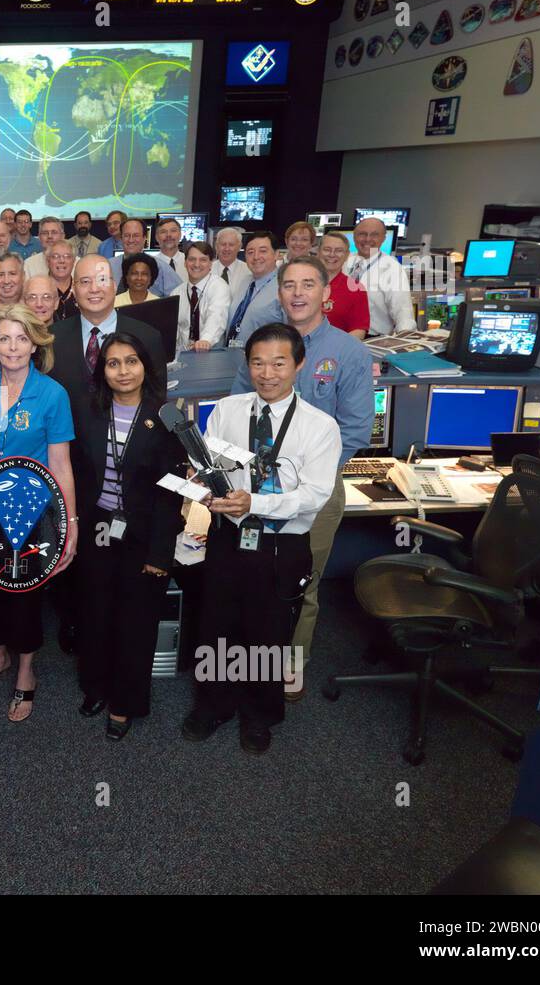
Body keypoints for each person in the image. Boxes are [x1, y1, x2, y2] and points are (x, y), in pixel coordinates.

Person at [181, 323, 340, 755]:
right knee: (216, 624)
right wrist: (201, 479)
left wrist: (254, 503)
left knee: (267, 632)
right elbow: (210, 463)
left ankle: (258, 713)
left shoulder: (320, 427)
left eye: (278, 363)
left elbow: (314, 496)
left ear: (299, 365)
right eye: (257, 363)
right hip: (228, 537)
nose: (267, 373)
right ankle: (214, 704)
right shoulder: (227, 410)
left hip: (281, 545)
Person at [230, 256, 373, 693]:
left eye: (308, 284)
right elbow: (239, 410)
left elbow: (355, 430)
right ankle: (247, 659)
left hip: (317, 492)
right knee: (250, 575)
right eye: (288, 284)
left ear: (326, 294)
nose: (297, 293)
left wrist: (306, 483)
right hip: (255, 491)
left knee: (302, 582)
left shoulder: (348, 352)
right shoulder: (261, 344)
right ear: (279, 293)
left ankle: (291, 662)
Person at [72, 331, 186, 740]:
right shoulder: (87, 412)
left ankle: (125, 701)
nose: (123, 371)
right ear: (101, 370)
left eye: (131, 361)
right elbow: (78, 475)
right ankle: (96, 686)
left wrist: (160, 553)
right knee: (96, 614)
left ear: (145, 366)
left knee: (135, 622)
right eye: (113, 363)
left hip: (145, 533)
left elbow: (173, 493)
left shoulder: (168, 417)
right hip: (98, 528)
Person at [0, 305, 78, 721]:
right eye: (4, 339)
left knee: (24, 595)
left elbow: (61, 464)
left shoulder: (53, 394)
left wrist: (71, 525)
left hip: (33, 512)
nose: (13, 347)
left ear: (35, 344)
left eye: (21, 338)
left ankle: (26, 671)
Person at [49, 255, 167, 415]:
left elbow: (156, 402)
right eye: (85, 282)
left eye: (102, 280)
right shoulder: (52, 339)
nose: (94, 288)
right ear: (74, 290)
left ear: (114, 285)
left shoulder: (148, 337)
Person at [348, 218, 416, 335]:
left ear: (383, 238)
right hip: (337, 334)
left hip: (371, 339)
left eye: (375, 235)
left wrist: (405, 341)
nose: (367, 239)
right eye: (362, 234)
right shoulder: (342, 262)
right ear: (354, 236)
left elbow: (403, 312)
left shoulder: (393, 268)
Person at [168, 241, 230, 351]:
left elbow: (216, 316)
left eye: (203, 260)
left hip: (211, 354)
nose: (196, 264)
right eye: (192, 259)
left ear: (211, 263)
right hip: (184, 355)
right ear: (185, 263)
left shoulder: (218, 286)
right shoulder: (176, 293)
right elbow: (173, 330)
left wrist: (205, 340)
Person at [226, 230, 281, 345]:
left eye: (263, 251)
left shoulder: (285, 287)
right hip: (232, 355)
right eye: (250, 252)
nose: (256, 257)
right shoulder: (245, 281)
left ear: (276, 254)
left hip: (264, 359)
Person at [318, 231, 369, 339]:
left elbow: (359, 331)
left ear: (346, 255)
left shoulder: (356, 289)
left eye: (339, 251)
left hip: (335, 352)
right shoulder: (302, 283)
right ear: (318, 252)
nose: (332, 254)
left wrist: (336, 349)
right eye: (327, 249)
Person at [151, 218, 188, 296]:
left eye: (173, 231)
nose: (168, 235)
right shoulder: (151, 264)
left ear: (180, 235)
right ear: (157, 237)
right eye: (163, 232)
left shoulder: (191, 262)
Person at [45, 240, 80, 320]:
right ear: (48, 261)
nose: (61, 261)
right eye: (56, 256)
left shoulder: (82, 289)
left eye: (67, 256)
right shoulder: (38, 290)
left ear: (74, 261)